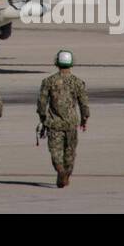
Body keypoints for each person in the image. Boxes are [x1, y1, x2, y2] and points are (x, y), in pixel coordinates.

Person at [37, 49, 89, 188]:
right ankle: (66, 174)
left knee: (55, 151)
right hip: (71, 124)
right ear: (71, 63)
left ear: (56, 62)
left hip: (54, 124)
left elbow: (41, 104)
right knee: (70, 152)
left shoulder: (48, 81)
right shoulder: (78, 82)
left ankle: (60, 170)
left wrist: (43, 119)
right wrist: (84, 120)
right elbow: (84, 104)